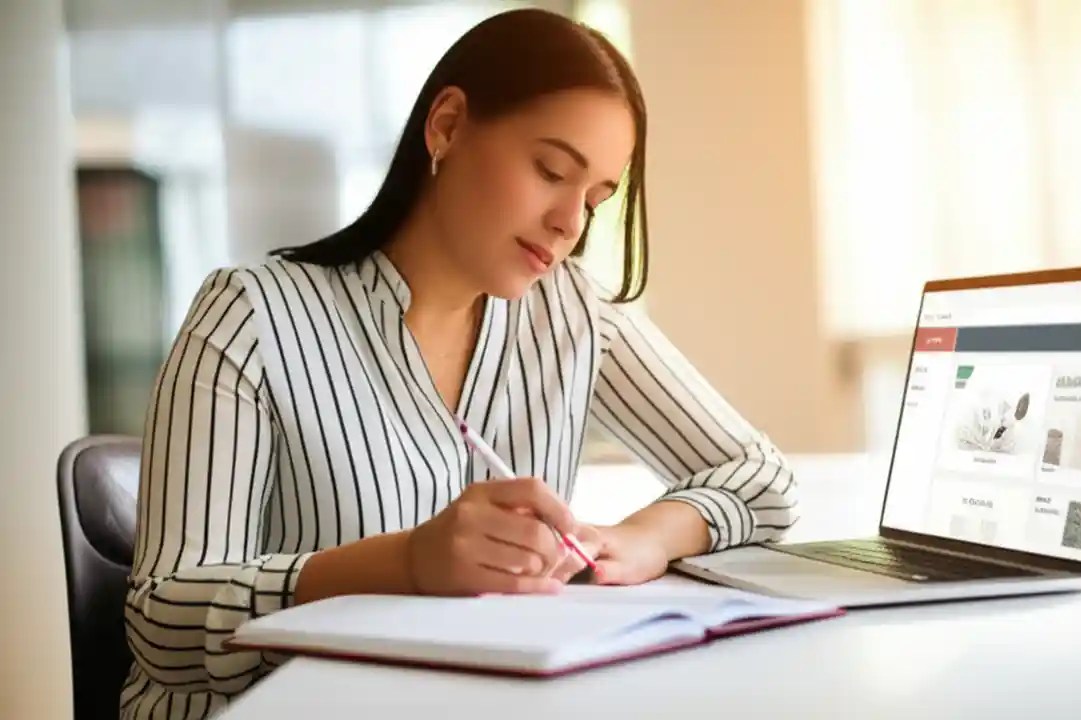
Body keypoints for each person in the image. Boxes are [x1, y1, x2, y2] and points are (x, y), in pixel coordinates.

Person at [121, 8, 797, 718]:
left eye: (595, 200)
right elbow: (159, 623)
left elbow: (763, 481)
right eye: (551, 171)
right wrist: (407, 562)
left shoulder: (571, 315)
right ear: (446, 126)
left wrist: (641, 538)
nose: (570, 222)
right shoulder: (252, 316)